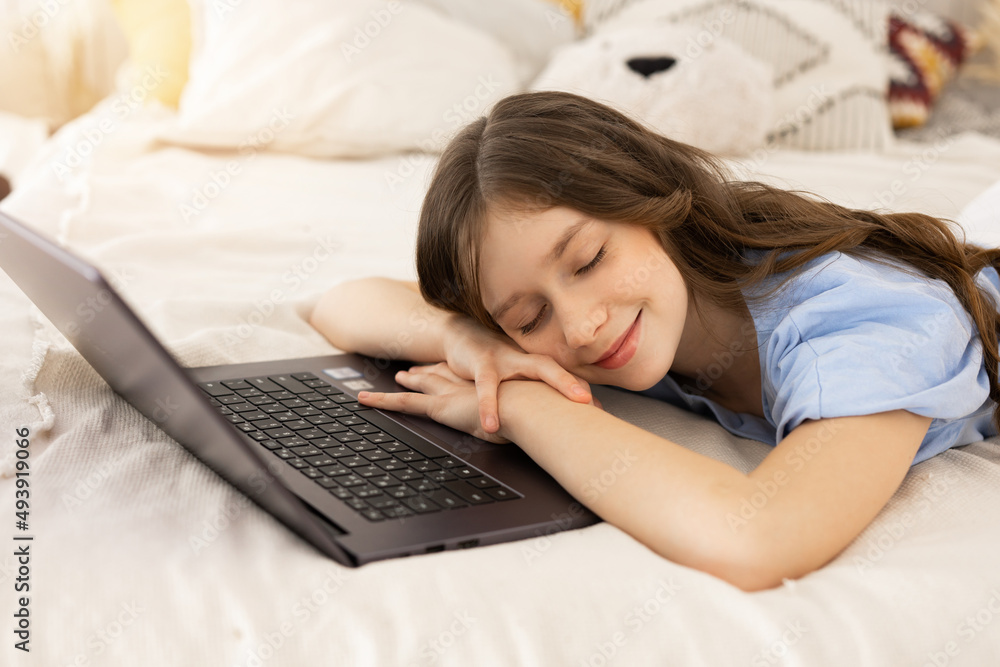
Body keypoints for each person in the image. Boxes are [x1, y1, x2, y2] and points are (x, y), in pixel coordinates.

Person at [310, 91, 1000, 591]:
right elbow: (334, 300)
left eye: (587, 261)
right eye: (526, 316)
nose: (580, 326)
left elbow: (757, 539)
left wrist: (519, 404)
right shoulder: (630, 310)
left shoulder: (864, 322)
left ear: (655, 202)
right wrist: (469, 343)